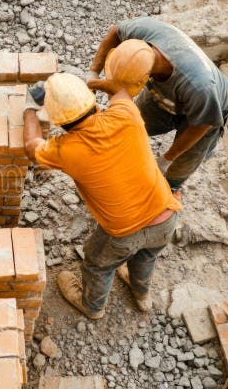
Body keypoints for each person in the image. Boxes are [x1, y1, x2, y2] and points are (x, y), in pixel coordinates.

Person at [23, 73, 182, 319]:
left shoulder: (66, 150)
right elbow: (119, 88)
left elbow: (32, 147)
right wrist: (90, 83)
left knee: (98, 264)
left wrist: (30, 109)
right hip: (166, 216)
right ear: (92, 102)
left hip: (122, 233)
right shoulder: (125, 115)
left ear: (59, 123)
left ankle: (92, 307)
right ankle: (141, 294)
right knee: (147, 254)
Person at [86, 18, 228, 197]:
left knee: (182, 162)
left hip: (208, 111)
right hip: (169, 92)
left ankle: (169, 188)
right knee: (133, 125)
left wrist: (166, 159)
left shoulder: (200, 87)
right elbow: (114, 32)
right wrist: (93, 72)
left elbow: (201, 125)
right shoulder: (142, 32)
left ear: (145, 77)